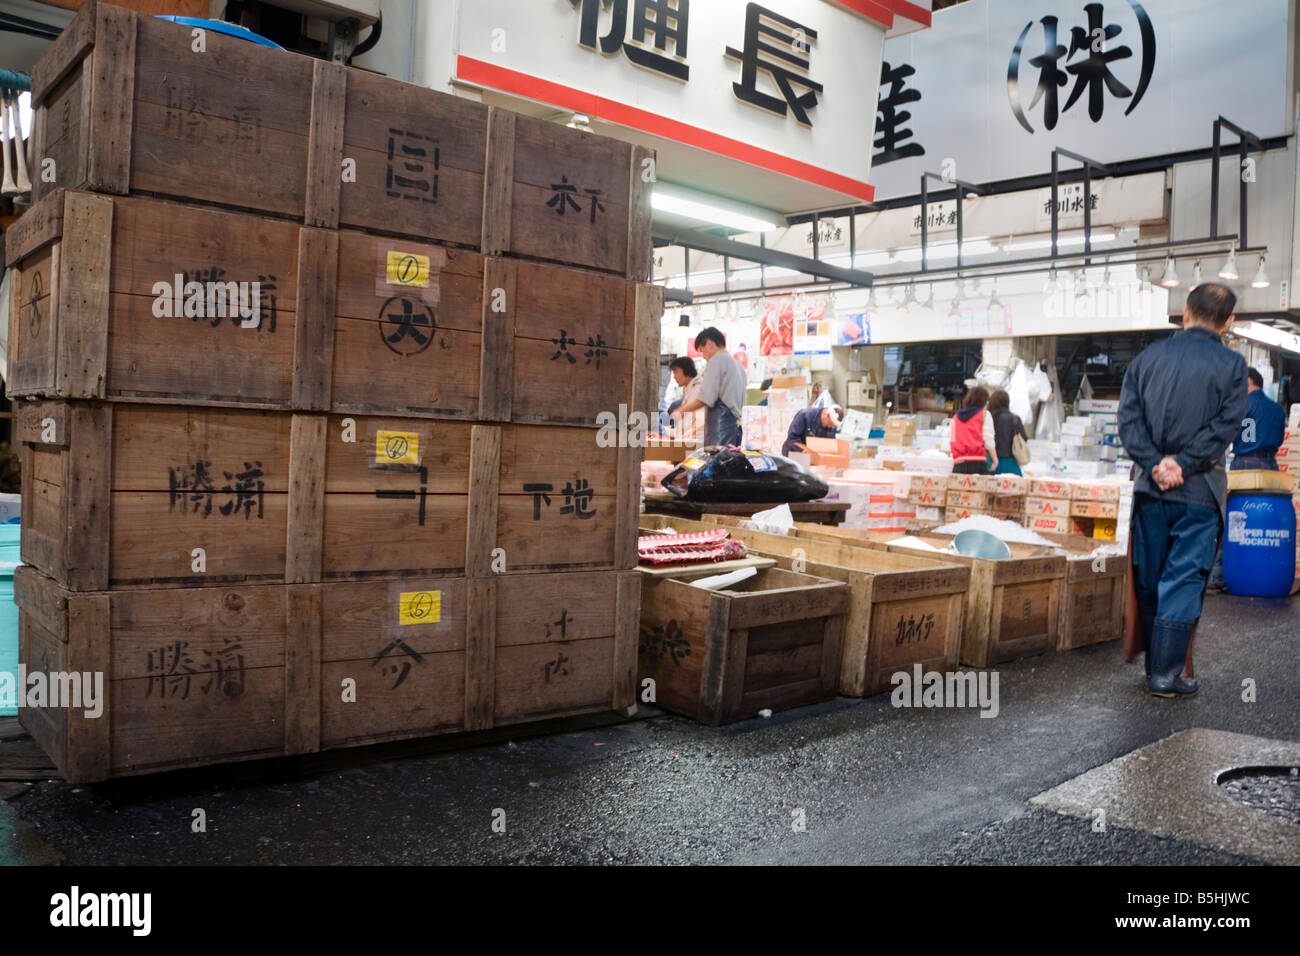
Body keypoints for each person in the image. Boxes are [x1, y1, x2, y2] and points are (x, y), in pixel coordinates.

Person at [1118, 282, 1247, 698]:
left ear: (1186, 313)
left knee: (1152, 576)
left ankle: (1155, 670)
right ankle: (1165, 675)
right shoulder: (1232, 366)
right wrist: (1183, 464)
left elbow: (1128, 422)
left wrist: (1156, 464)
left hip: (1150, 491)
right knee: (1184, 578)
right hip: (1198, 492)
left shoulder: (1146, 359)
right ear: (1228, 323)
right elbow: (1225, 427)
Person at [675, 327, 746, 447]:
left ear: (709, 344)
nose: (703, 356)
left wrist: (682, 409)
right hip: (735, 429)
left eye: (702, 351)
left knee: (717, 462)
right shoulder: (738, 366)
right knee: (729, 462)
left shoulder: (716, 361)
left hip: (721, 428)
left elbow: (707, 398)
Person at [1230, 368, 1286, 470]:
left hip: (1245, 463)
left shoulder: (1241, 406)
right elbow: (1280, 440)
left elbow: (1229, 434)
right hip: (1271, 465)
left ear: (1248, 381)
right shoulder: (1278, 408)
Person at [949, 386, 997, 474]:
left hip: (959, 463)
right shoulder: (984, 414)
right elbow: (988, 440)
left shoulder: (955, 418)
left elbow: (952, 441)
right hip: (978, 462)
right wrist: (995, 460)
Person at [988, 388, 1028, 476]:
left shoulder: (989, 418)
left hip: (991, 462)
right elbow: (1024, 438)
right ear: (1007, 402)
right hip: (1010, 463)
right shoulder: (1015, 419)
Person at [667, 356, 703, 440]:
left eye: (676, 371)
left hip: (696, 441)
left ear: (685, 369)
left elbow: (696, 422)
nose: (674, 377)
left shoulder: (698, 388)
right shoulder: (690, 387)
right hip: (690, 439)